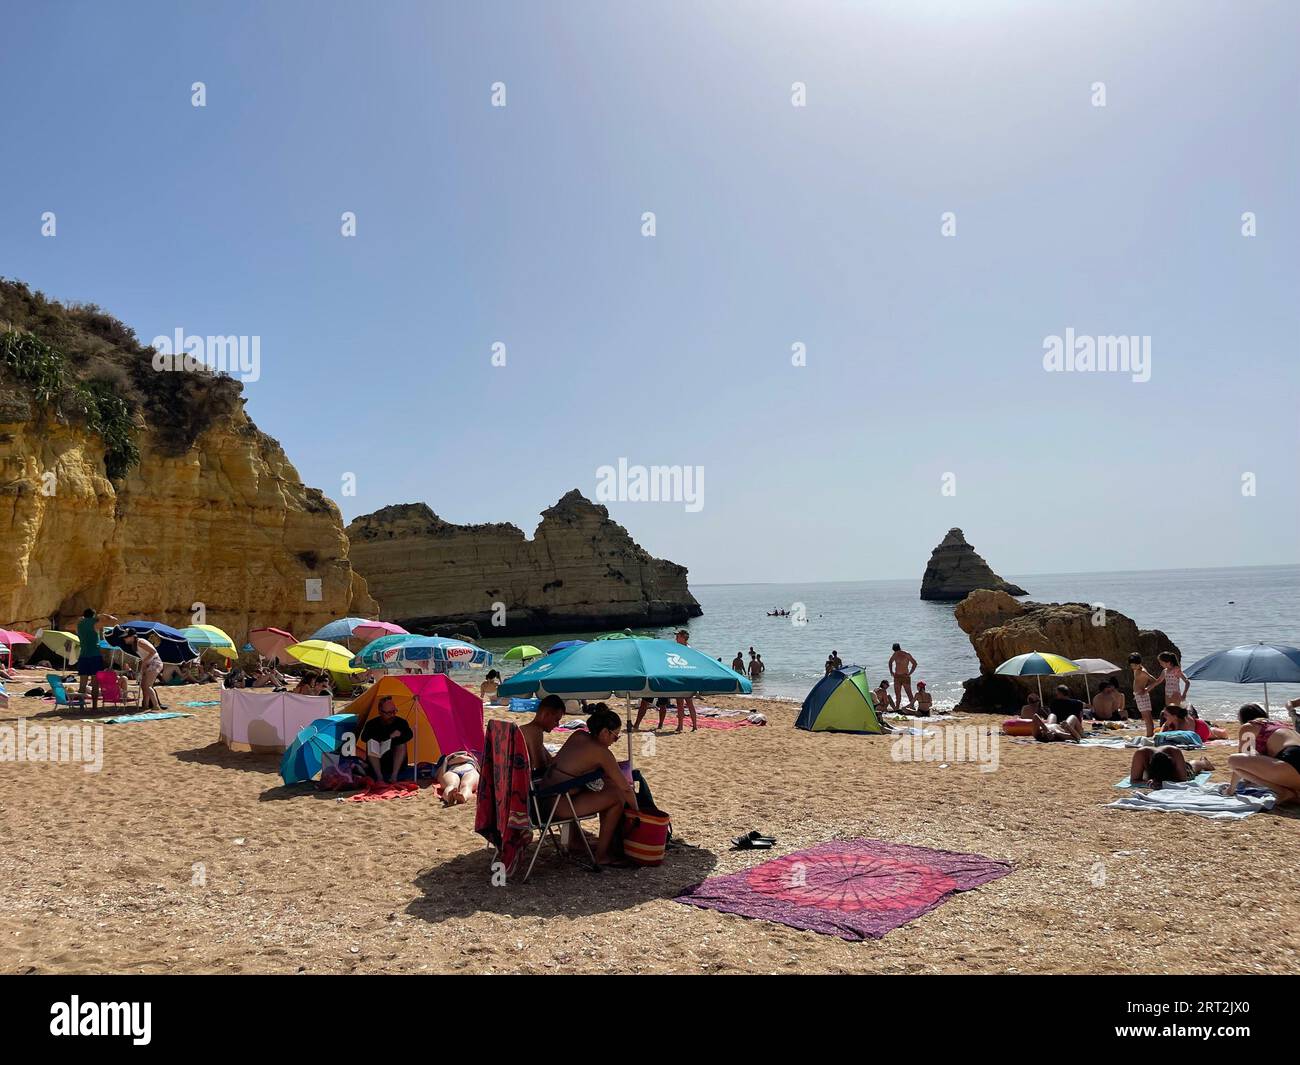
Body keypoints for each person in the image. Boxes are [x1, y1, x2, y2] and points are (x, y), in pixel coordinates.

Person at [539, 704, 638, 866]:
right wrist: (637, 812)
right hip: (557, 805)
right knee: (617, 798)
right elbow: (625, 788)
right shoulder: (602, 753)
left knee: (610, 788)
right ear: (605, 732)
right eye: (615, 736)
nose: (615, 741)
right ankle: (602, 855)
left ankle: (575, 840)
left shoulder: (578, 735)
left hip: (541, 800)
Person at [1227, 704, 1300, 804]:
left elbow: (1242, 758)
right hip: (1292, 763)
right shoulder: (1281, 725)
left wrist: (1231, 789)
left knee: (1233, 760)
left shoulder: (1250, 726)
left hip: (1293, 760)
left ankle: (1283, 792)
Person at [360, 696, 414, 783]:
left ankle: (394, 776)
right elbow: (364, 737)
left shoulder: (401, 722)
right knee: (371, 743)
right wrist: (388, 737)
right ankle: (379, 776)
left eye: (394, 711)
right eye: (389, 713)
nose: (392, 715)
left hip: (395, 762)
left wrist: (399, 736)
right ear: (380, 712)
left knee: (401, 744)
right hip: (377, 761)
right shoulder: (372, 724)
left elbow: (409, 735)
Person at [75, 608, 117, 711]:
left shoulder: (79, 624)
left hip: (83, 656)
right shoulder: (95, 623)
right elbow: (113, 620)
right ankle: (94, 707)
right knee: (95, 684)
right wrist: (102, 615)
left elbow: (67, 625)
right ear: (93, 615)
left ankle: (81, 706)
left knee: (82, 684)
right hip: (94, 655)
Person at [519, 694, 567, 773]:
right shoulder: (535, 731)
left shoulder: (524, 728)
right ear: (546, 714)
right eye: (556, 720)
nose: (557, 724)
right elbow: (540, 768)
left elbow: (550, 760)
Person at [1129, 746, 1214, 789]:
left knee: (1192, 767)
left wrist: (1164, 782)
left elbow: (1183, 779)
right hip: (1155, 769)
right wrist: (1147, 782)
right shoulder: (1141, 754)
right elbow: (1134, 779)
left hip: (1180, 768)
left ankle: (1204, 762)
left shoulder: (1174, 751)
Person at [120, 630, 164, 711]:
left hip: (155, 662)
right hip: (150, 663)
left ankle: (156, 706)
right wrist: (143, 666)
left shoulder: (140, 642)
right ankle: (145, 705)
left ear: (133, 637)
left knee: (147, 686)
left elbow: (153, 652)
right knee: (143, 685)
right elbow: (146, 655)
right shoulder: (135, 644)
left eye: (126, 637)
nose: (124, 639)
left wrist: (144, 662)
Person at [671, 631, 699, 732]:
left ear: (683, 638)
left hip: (687, 678)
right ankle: (680, 726)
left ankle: (695, 725)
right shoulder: (677, 648)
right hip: (679, 677)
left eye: (677, 636)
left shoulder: (688, 649)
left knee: (689, 702)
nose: (676, 639)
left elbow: (692, 664)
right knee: (679, 703)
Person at [1128, 652, 1159, 737]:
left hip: (1142, 695)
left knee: (1147, 716)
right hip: (1138, 695)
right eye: (1132, 665)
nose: (1133, 667)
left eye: (1134, 665)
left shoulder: (1143, 671)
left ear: (1139, 663)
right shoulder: (1136, 670)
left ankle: (1150, 734)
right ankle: (1150, 733)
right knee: (1145, 716)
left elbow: (1155, 681)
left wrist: (1147, 689)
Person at [888, 643, 917, 711]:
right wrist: (891, 671)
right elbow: (890, 662)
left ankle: (912, 707)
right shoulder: (895, 654)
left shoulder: (906, 654)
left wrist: (910, 673)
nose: (896, 653)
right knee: (897, 695)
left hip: (905, 676)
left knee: (909, 693)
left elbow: (915, 663)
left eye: (896, 651)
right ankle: (897, 708)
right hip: (897, 677)